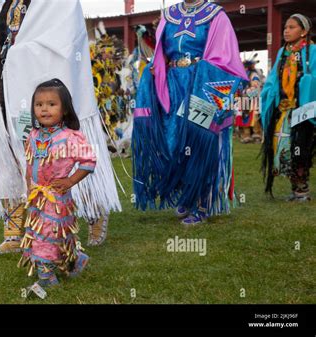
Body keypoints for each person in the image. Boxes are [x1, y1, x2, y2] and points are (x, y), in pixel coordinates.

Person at [0, 0, 121, 256]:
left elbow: (66, 41)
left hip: (51, 89)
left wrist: (19, 52)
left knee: (66, 153)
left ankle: (94, 212)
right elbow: (1, 37)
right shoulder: (9, 3)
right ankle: (13, 231)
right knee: (10, 155)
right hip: (9, 86)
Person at [132, 0, 248, 225]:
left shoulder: (215, 15)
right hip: (172, 85)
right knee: (173, 142)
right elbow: (161, 52)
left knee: (198, 141)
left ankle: (201, 203)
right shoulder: (170, 15)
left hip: (201, 84)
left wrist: (204, 72)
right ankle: (187, 192)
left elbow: (225, 57)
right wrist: (157, 67)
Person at [18, 79, 95, 294]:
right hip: (37, 195)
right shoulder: (33, 135)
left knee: (47, 234)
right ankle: (76, 260)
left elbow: (89, 162)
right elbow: (30, 163)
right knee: (49, 233)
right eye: (39, 104)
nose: (44, 109)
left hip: (57, 197)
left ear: (65, 108)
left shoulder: (70, 137)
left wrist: (70, 181)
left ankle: (47, 277)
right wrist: (29, 188)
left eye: (52, 104)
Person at [261, 14, 316, 201]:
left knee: (300, 147)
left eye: (292, 27)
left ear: (304, 31)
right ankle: (295, 188)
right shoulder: (282, 52)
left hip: (303, 110)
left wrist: (306, 81)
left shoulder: (313, 50)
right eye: (285, 27)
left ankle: (302, 189)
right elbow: (273, 78)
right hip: (284, 109)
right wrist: (268, 93)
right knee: (284, 146)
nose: (286, 30)